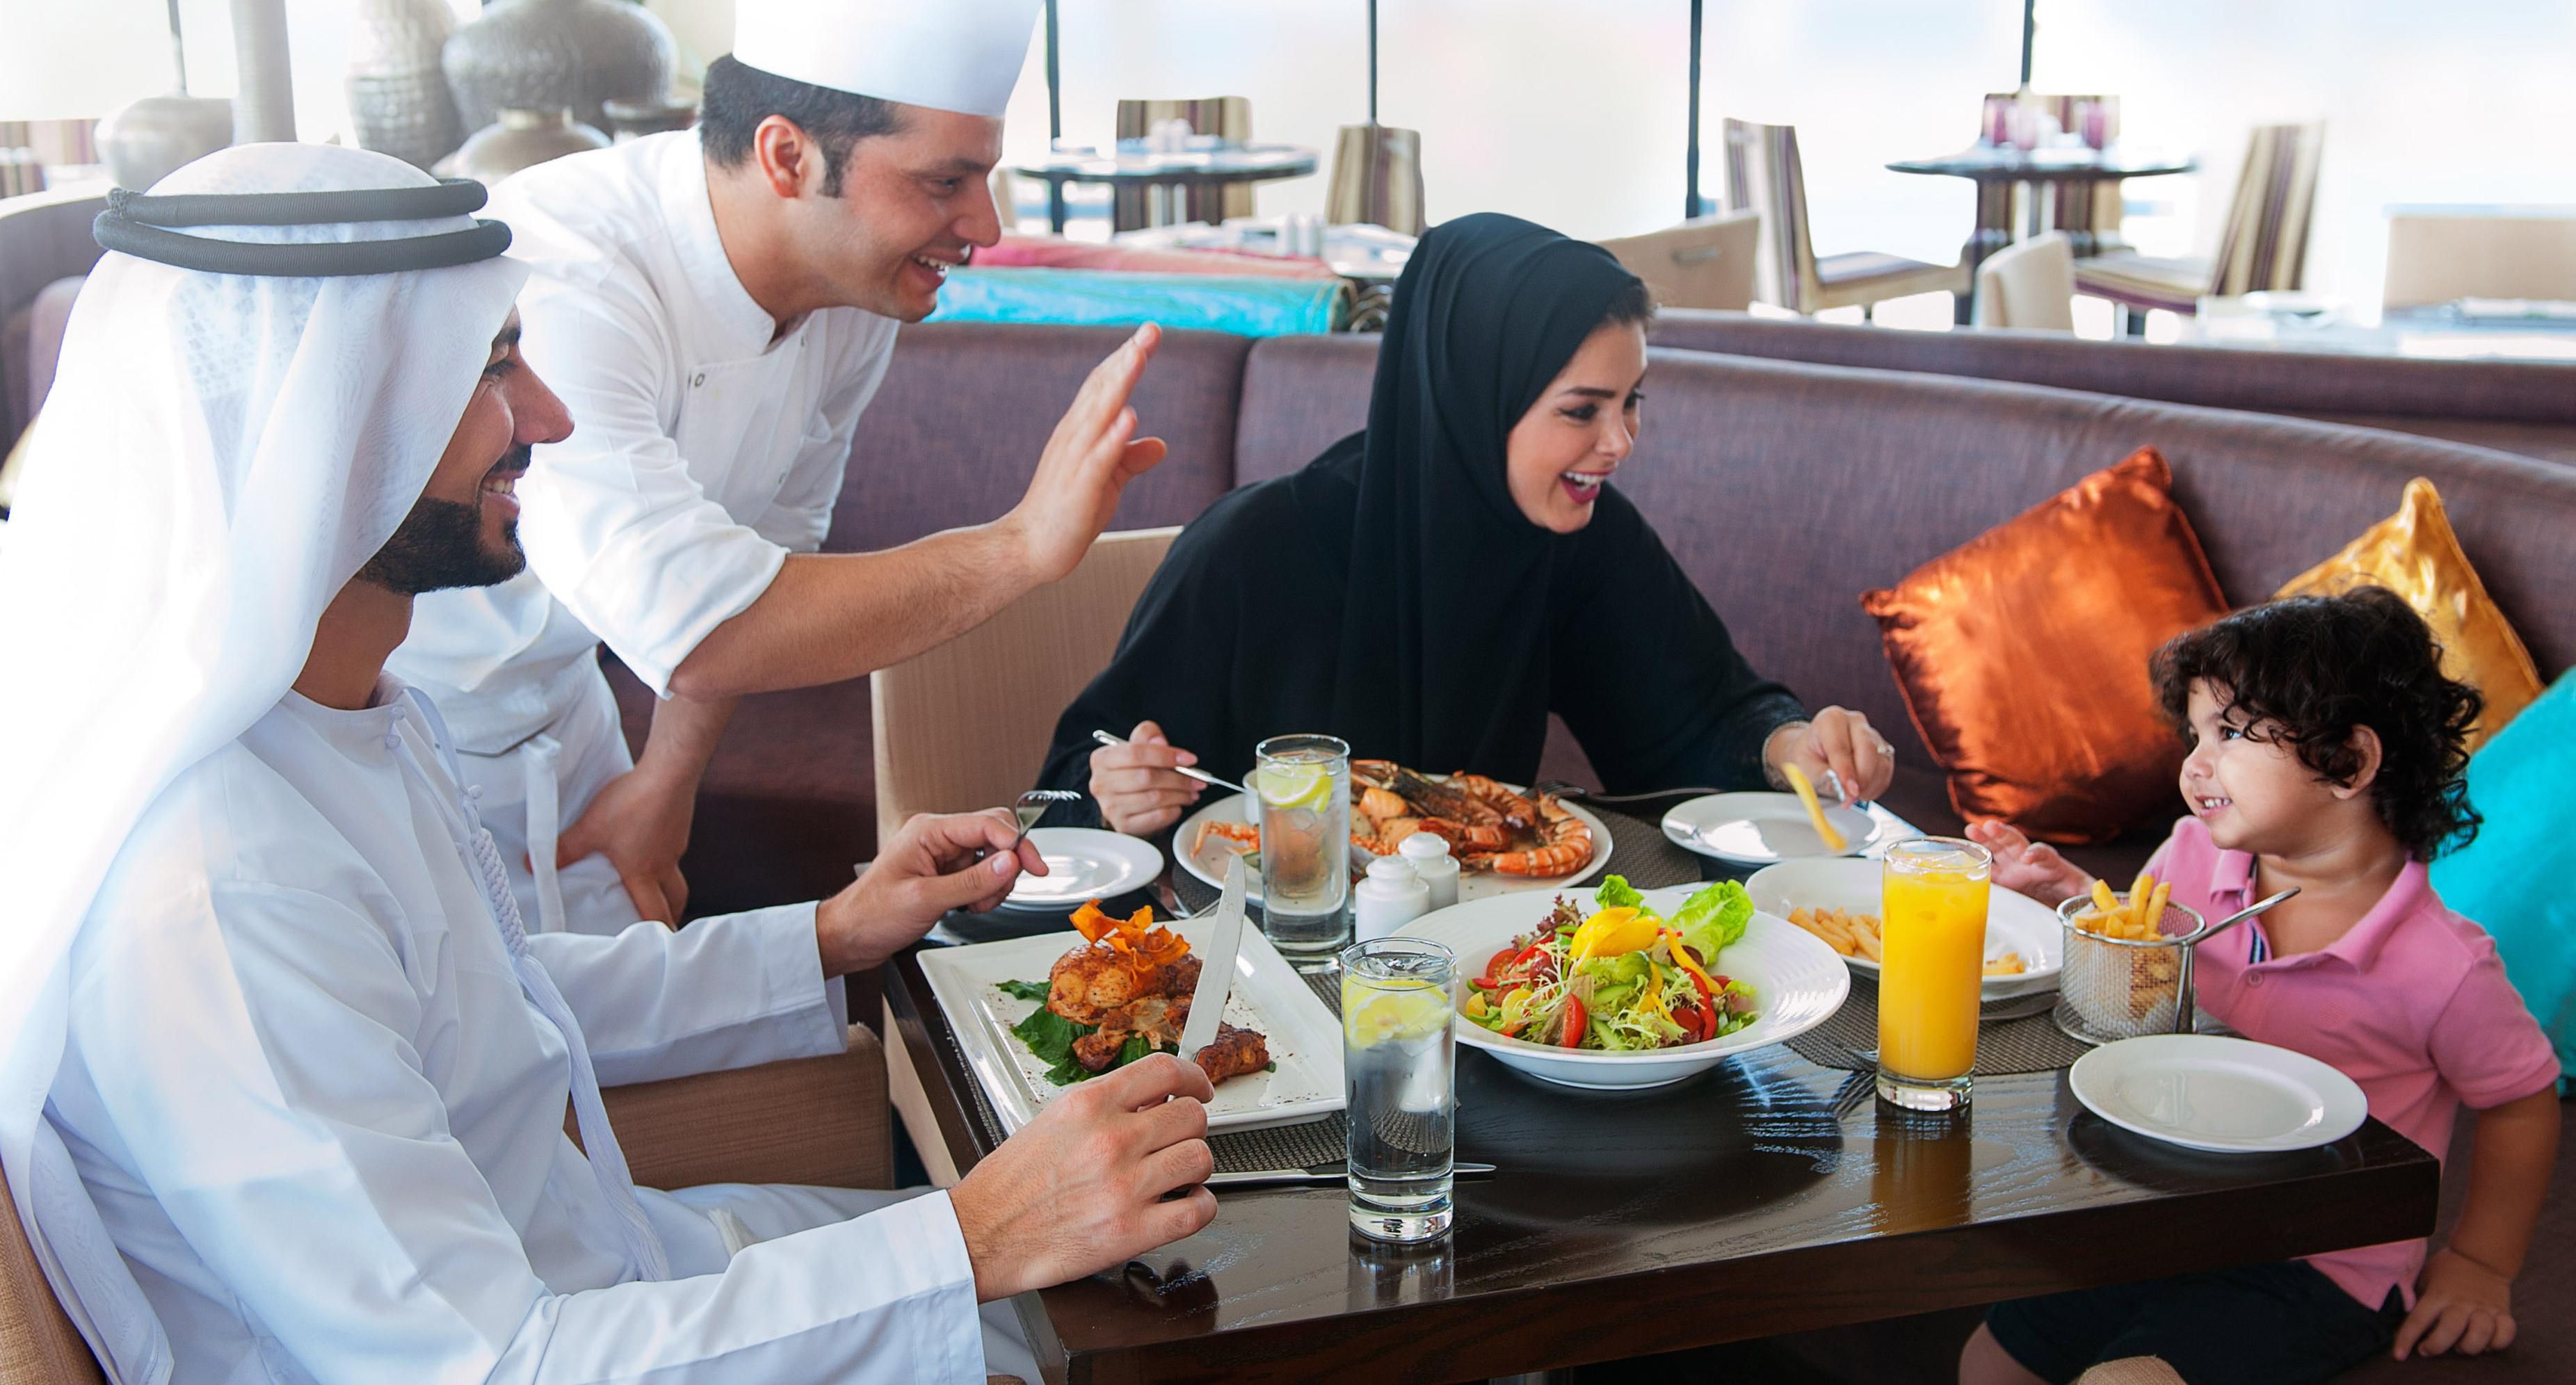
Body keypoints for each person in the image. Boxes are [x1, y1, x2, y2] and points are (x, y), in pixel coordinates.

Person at [0, 145, 1214, 1384]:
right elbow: (487, 1365)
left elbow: (493, 1001)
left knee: (1084, 1300)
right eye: (491, 372)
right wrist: (972, 1242)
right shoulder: (215, 887)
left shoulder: (337, 715)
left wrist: (828, 930)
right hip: (562, 1348)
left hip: (611, 1275)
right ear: (328, 424)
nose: (551, 416)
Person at [390, 0, 1168, 934]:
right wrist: (1017, 549)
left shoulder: (851, 286)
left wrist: (666, 785)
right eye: (945, 180)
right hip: (400, 735)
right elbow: (703, 627)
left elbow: (768, 543)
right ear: (786, 156)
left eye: (985, 177)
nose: (985, 224)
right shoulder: (573, 276)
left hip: (569, 726)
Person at [1038, 213, 1897, 832]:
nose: (1620, 442)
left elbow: (1700, 719)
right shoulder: (1255, 551)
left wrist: (1795, 744)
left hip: (1489, 970)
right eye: (1581, 411)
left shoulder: (1577, 536)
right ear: (1473, 402)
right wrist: (1114, 791)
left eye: (1632, 403)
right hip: (1256, 981)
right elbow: (1059, 792)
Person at [1959, 589, 2560, 1385]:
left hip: (2316, 1264)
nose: (2194, 765)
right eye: (2197, 734)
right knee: (1989, 1362)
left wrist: (2482, 1262)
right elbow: (2141, 973)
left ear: (2347, 761)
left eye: (2233, 734)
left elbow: (2521, 1100)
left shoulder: (2444, 966)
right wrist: (2073, 898)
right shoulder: (2188, 856)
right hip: (2166, 1210)